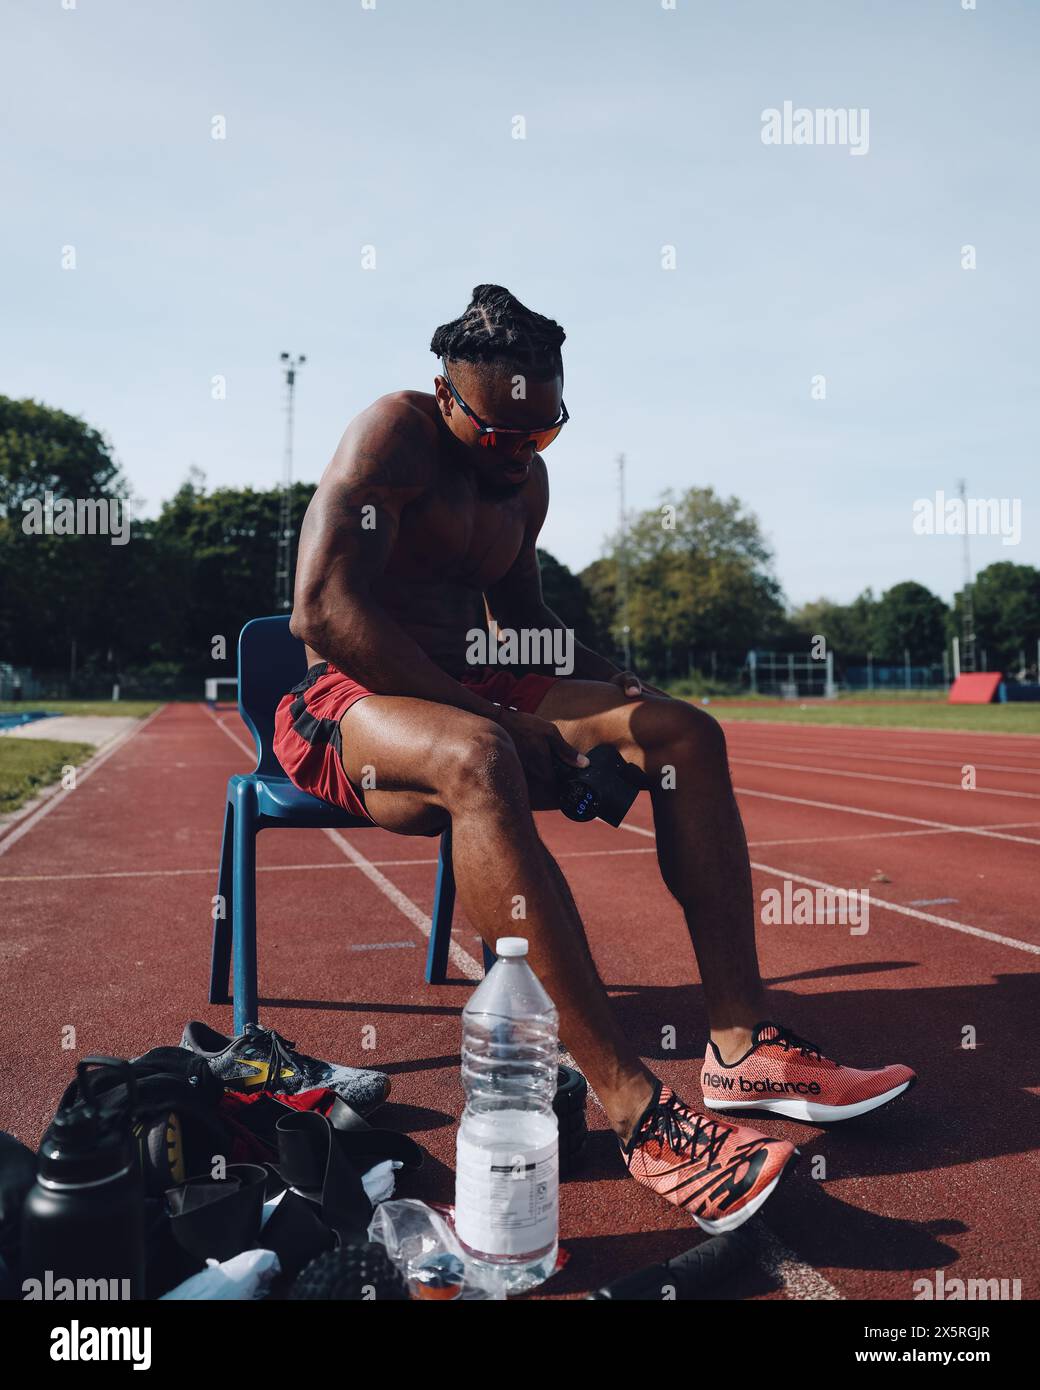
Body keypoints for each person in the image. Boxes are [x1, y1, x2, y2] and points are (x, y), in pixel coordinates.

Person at [277, 285, 915, 1232]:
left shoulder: (520, 478)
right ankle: (637, 1110)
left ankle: (740, 1046)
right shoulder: (392, 437)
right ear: (448, 396)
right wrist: (488, 712)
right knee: (483, 755)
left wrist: (622, 688)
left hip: (473, 688)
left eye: (546, 435)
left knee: (683, 731)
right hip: (353, 702)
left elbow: (524, 630)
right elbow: (321, 611)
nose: (521, 458)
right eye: (502, 438)